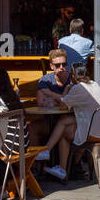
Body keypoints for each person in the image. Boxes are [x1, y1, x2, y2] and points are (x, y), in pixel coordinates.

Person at [34, 49, 76, 180]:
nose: (61, 68)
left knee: (64, 127)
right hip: (49, 121)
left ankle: (71, 167)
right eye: (57, 65)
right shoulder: (45, 80)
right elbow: (41, 102)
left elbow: (69, 103)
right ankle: (36, 168)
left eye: (64, 64)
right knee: (31, 128)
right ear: (51, 66)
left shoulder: (72, 79)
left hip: (70, 121)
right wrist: (62, 98)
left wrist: (52, 95)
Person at [61, 62, 100, 175]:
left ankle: (63, 169)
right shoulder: (95, 84)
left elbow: (63, 106)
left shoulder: (78, 88)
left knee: (63, 134)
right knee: (68, 123)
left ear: (73, 76)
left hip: (92, 135)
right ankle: (75, 165)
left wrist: (67, 88)